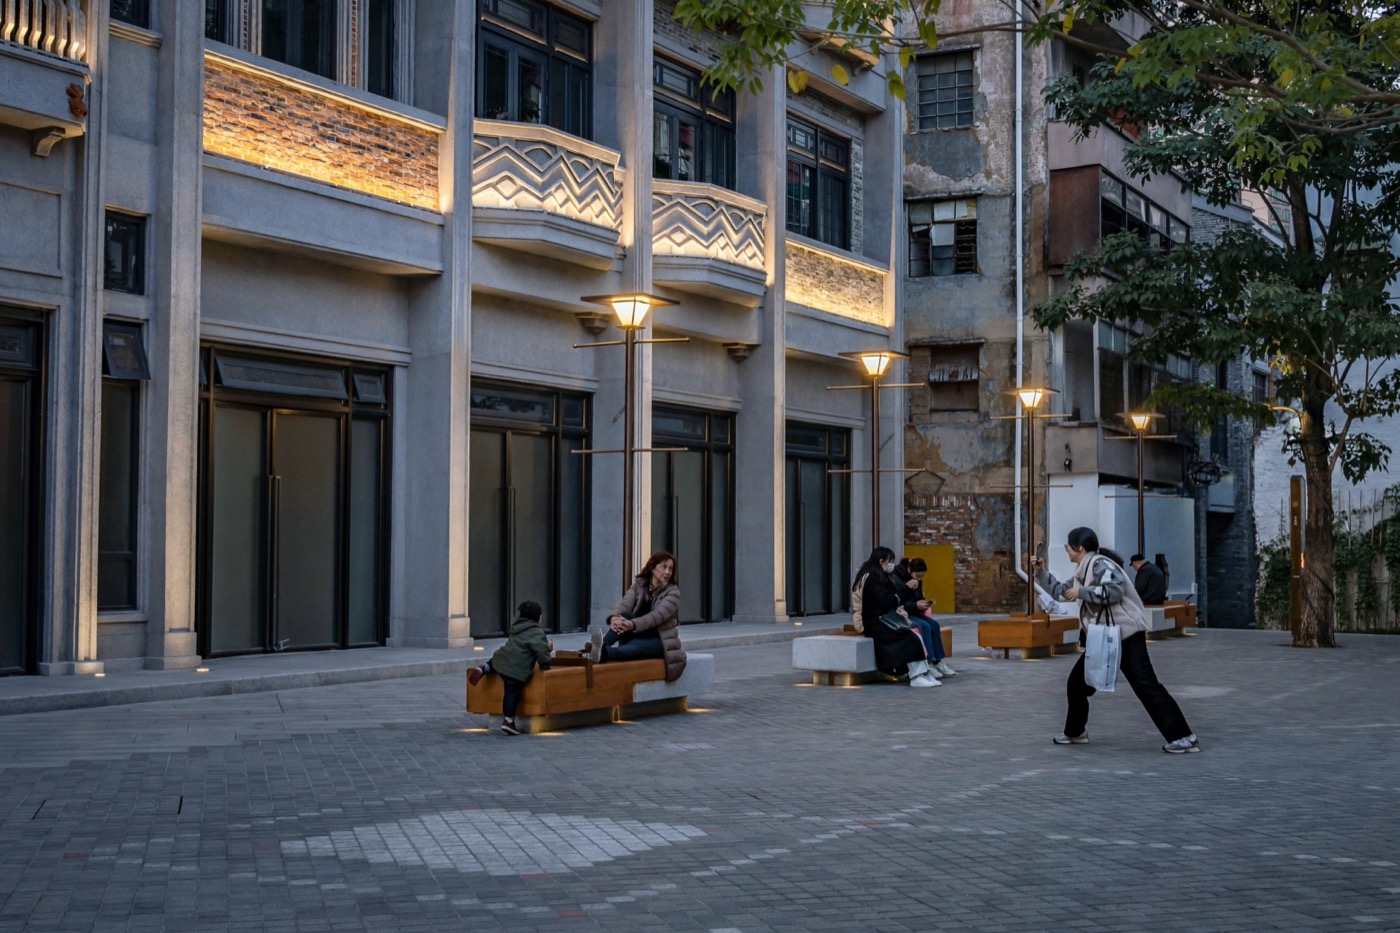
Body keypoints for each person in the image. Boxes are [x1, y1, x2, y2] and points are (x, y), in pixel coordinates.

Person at [1033, 527, 1201, 754]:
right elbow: (1062, 591)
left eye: (1068, 545)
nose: (1066, 550)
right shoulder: (1084, 570)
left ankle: (1183, 736)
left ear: (1079, 548)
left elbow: (1114, 590)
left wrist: (1082, 593)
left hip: (1126, 635)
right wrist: (1041, 573)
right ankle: (1075, 732)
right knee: (1077, 683)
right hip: (1105, 636)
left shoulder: (1101, 564)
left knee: (1146, 685)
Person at [583, 550, 687, 682]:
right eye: (663, 567)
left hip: (659, 641)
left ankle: (603, 653)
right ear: (652, 567)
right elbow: (625, 605)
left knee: (633, 647)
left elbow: (656, 616)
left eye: (670, 569)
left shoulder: (673, 592)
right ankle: (600, 645)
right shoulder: (639, 585)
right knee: (624, 615)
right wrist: (614, 618)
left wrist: (632, 625)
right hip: (637, 632)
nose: (667, 572)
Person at [853, 547, 939, 687]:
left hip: (885, 619)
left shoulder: (883, 577)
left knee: (914, 635)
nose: (891, 564)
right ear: (881, 561)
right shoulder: (871, 579)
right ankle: (916, 675)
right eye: (890, 561)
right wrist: (906, 589)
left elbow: (895, 598)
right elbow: (887, 601)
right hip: (876, 623)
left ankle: (923, 672)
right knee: (910, 637)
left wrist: (907, 590)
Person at [467, 600, 553, 736]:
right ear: (538, 618)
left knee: (495, 663)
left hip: (501, 658)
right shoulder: (537, 633)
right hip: (516, 669)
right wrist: (545, 664)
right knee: (512, 692)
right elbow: (541, 652)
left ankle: (484, 668)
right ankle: (508, 721)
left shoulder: (516, 628)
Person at [893, 557, 955, 678]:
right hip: (902, 613)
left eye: (922, 576)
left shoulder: (917, 580)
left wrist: (923, 604)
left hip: (914, 611)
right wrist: (915, 605)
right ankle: (929, 661)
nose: (919, 579)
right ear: (909, 570)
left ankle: (939, 661)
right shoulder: (896, 578)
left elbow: (918, 596)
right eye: (918, 575)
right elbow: (897, 602)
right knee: (924, 626)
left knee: (934, 624)